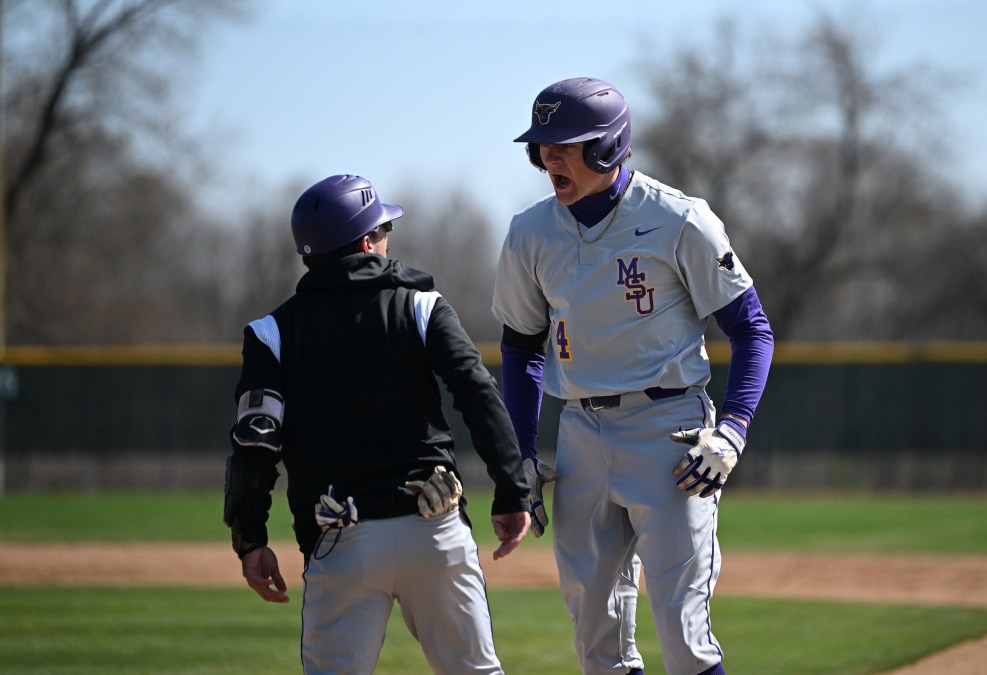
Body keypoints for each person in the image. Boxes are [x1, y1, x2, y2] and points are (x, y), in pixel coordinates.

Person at [492, 77, 775, 675]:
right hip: (580, 436)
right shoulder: (530, 231)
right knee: (597, 640)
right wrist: (518, 454)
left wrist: (733, 429)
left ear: (608, 147)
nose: (549, 157)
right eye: (543, 145)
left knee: (683, 635)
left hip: (669, 432)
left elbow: (752, 330)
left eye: (565, 144)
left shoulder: (679, 219)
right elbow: (520, 350)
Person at [224, 174, 531, 675]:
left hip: (341, 538)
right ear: (367, 242)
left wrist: (249, 535)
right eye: (384, 227)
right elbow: (478, 394)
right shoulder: (422, 305)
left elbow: (255, 440)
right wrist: (512, 489)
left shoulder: (271, 332)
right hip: (434, 528)